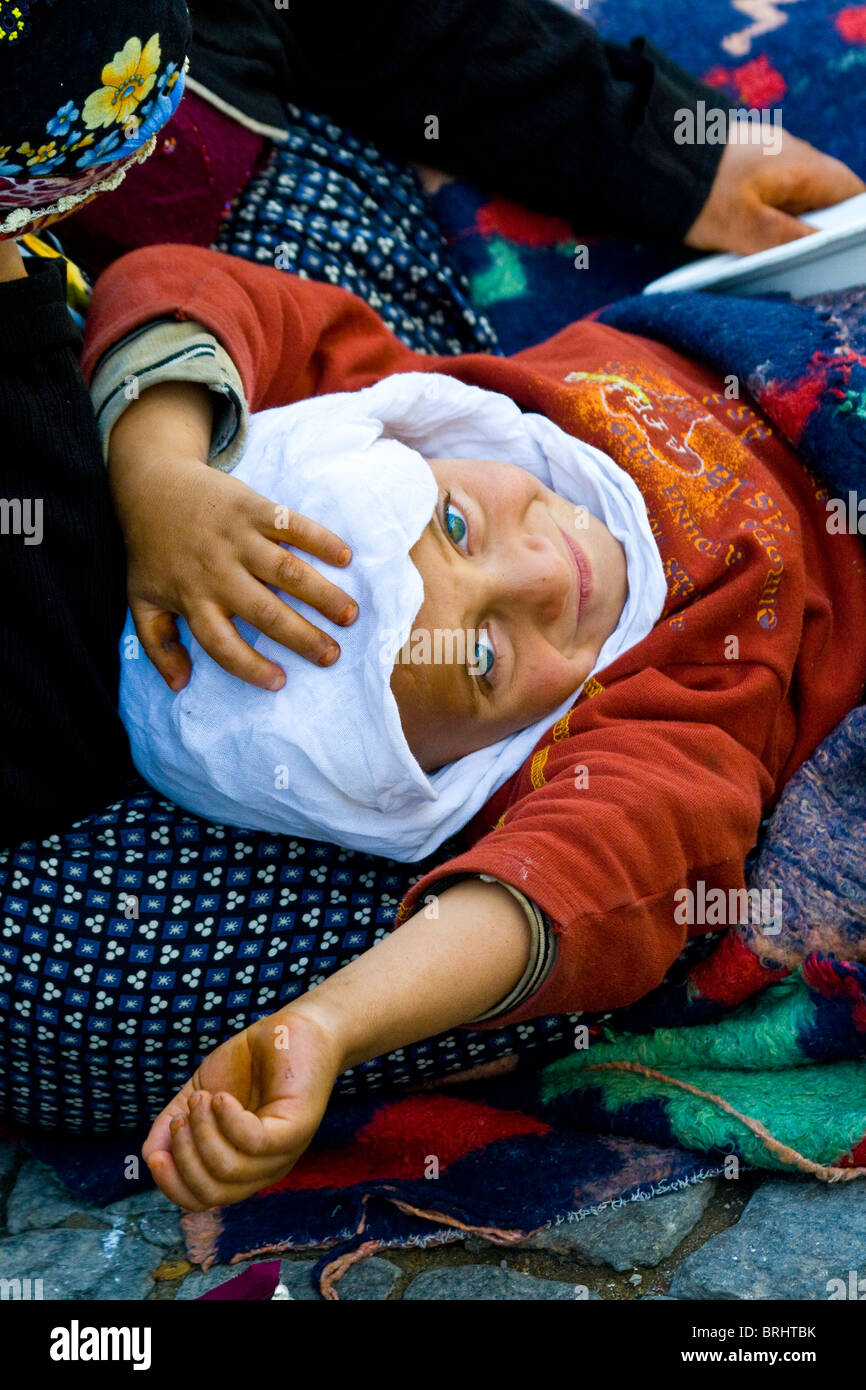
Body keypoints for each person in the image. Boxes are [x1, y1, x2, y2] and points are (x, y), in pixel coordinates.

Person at [78, 241, 866, 1209]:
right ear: (474, 768)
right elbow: (574, 874)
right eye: (484, 659)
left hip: (766, 325)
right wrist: (328, 1025)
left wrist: (157, 479)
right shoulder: (667, 700)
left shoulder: (417, 401)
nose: (540, 572)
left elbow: (173, 287)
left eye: (450, 525)